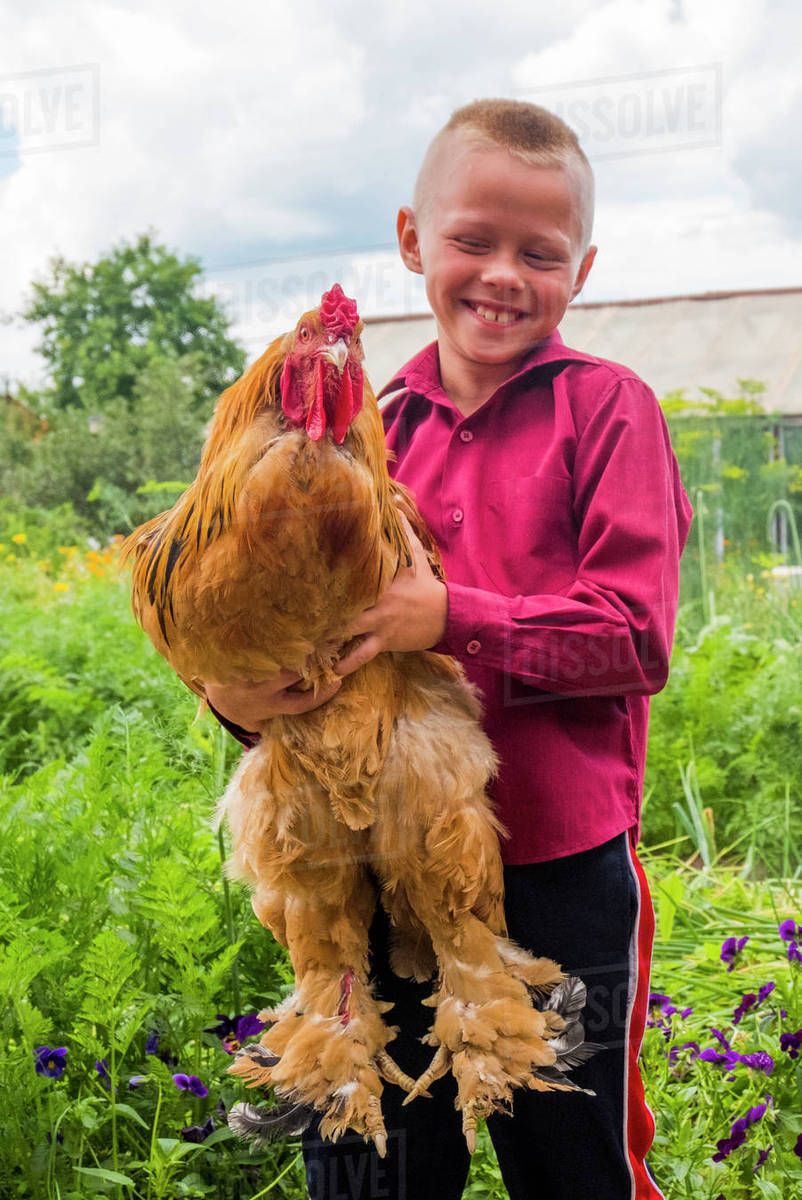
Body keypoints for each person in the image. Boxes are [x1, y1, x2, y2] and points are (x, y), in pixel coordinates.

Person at [206, 99, 692, 1199]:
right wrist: (239, 695)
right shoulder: (358, 436)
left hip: (554, 872)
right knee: (372, 1158)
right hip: (368, 862)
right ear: (412, 240)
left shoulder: (608, 412)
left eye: (542, 253)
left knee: (570, 1164)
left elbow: (634, 638)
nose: (503, 274)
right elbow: (307, 642)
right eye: (473, 240)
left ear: (584, 267)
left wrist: (454, 617)